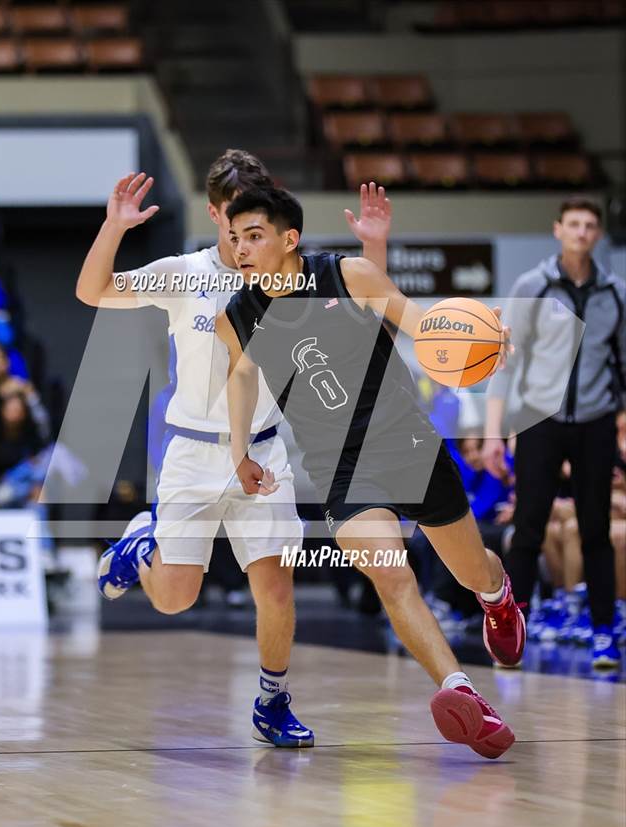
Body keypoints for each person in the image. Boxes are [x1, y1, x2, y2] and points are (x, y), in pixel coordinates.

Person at [75, 149, 391, 747]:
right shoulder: (185, 273)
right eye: (233, 215)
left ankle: (273, 703)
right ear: (215, 213)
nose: (244, 227)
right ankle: (143, 541)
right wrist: (114, 225)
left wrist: (374, 247)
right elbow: (92, 292)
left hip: (263, 453)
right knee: (174, 599)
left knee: (275, 588)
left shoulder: (286, 273)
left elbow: (363, 306)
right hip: (192, 452)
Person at [216, 187, 524, 760]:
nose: (241, 249)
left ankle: (497, 595)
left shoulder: (348, 274)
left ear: (289, 240)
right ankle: (461, 691)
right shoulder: (236, 317)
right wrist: (240, 452)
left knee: (472, 569)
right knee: (392, 575)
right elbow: (239, 377)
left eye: (254, 235)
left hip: (408, 446)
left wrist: (484, 337)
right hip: (340, 470)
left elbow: (420, 324)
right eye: (234, 238)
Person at [483, 196, 626, 669]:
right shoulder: (534, 287)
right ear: (558, 230)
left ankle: (603, 631)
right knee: (528, 526)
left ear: (598, 235)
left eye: (590, 225)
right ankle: (515, 630)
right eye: (574, 224)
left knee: (596, 530)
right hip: (540, 422)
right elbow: (503, 365)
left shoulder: (615, 293)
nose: (582, 232)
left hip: (596, 422)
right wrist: (493, 434)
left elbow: (621, 368)